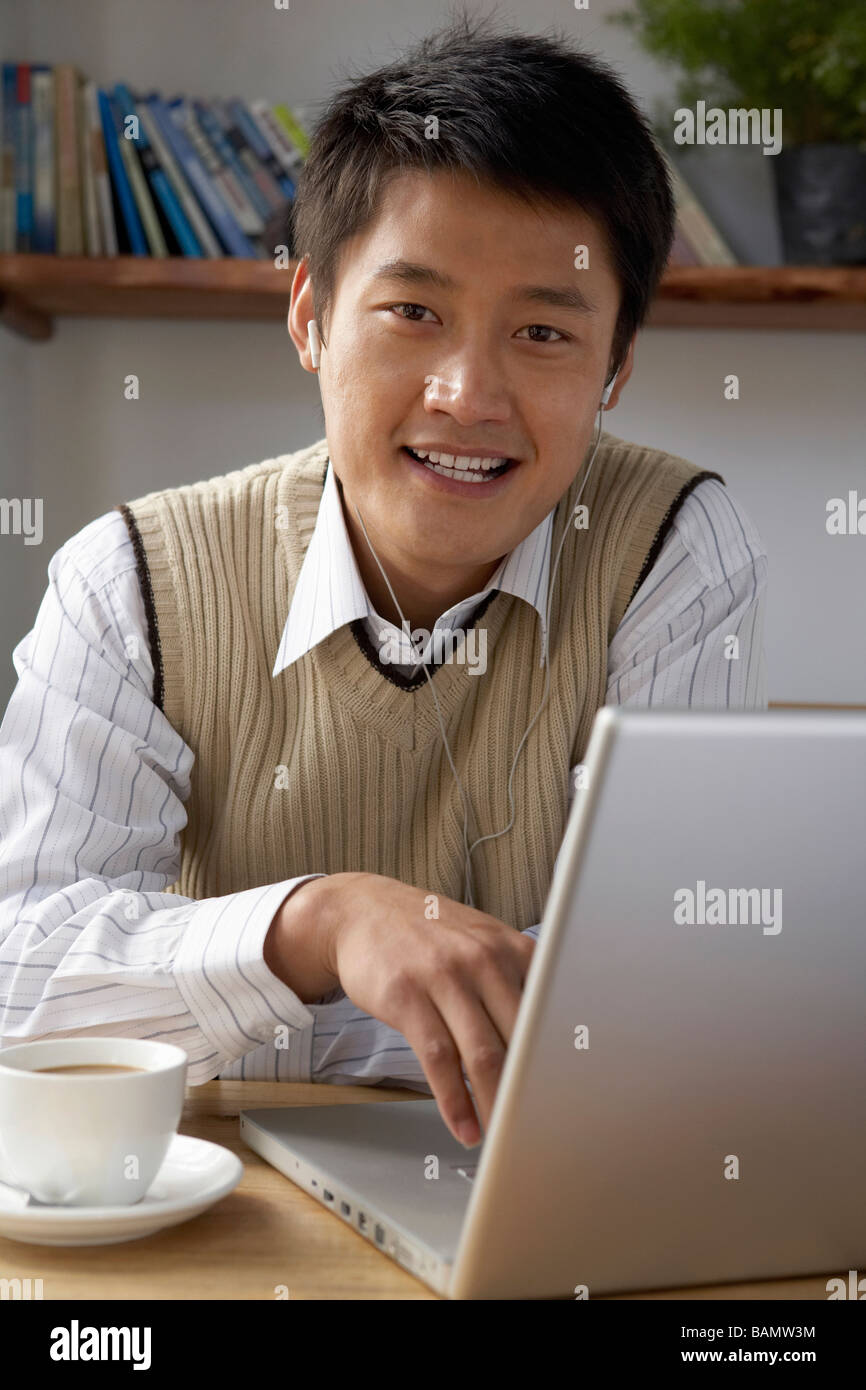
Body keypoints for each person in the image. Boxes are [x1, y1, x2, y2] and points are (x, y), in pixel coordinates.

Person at [0, 15, 766, 1151]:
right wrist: (322, 924)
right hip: (208, 1203)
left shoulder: (671, 550)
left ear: (614, 366)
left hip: (543, 1187)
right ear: (309, 314)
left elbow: (673, 1000)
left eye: (544, 332)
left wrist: (231, 1003)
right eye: (413, 312)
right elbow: (23, 988)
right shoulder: (130, 580)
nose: (468, 392)